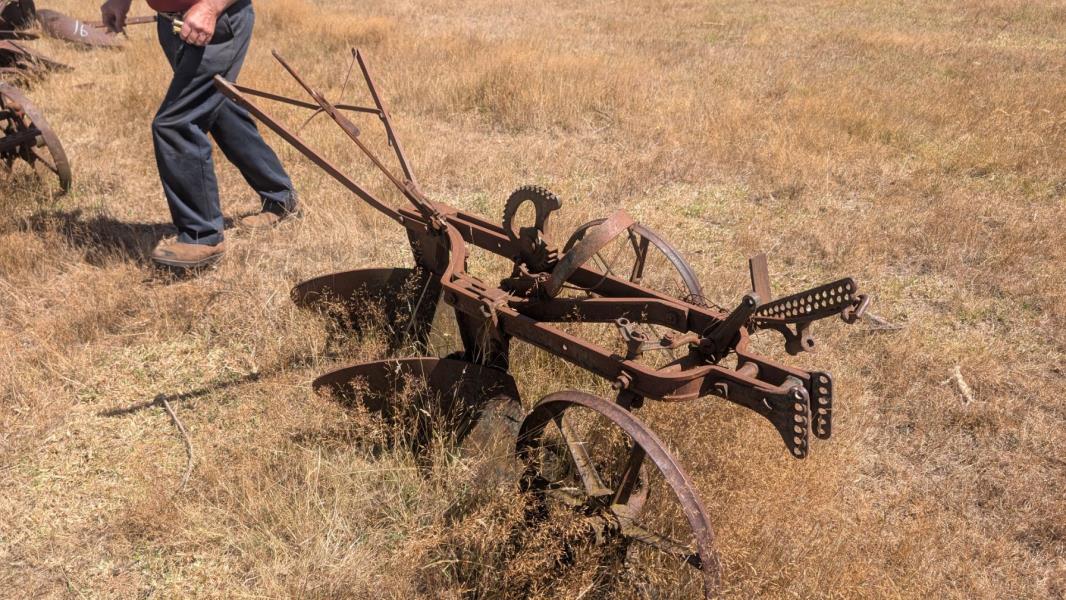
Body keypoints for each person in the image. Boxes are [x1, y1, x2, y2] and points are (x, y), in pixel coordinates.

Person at [100, 0, 298, 270]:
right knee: (219, 111)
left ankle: (201, 237)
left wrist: (210, 7)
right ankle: (280, 197)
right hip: (174, 24)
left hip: (214, 22)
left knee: (176, 124)